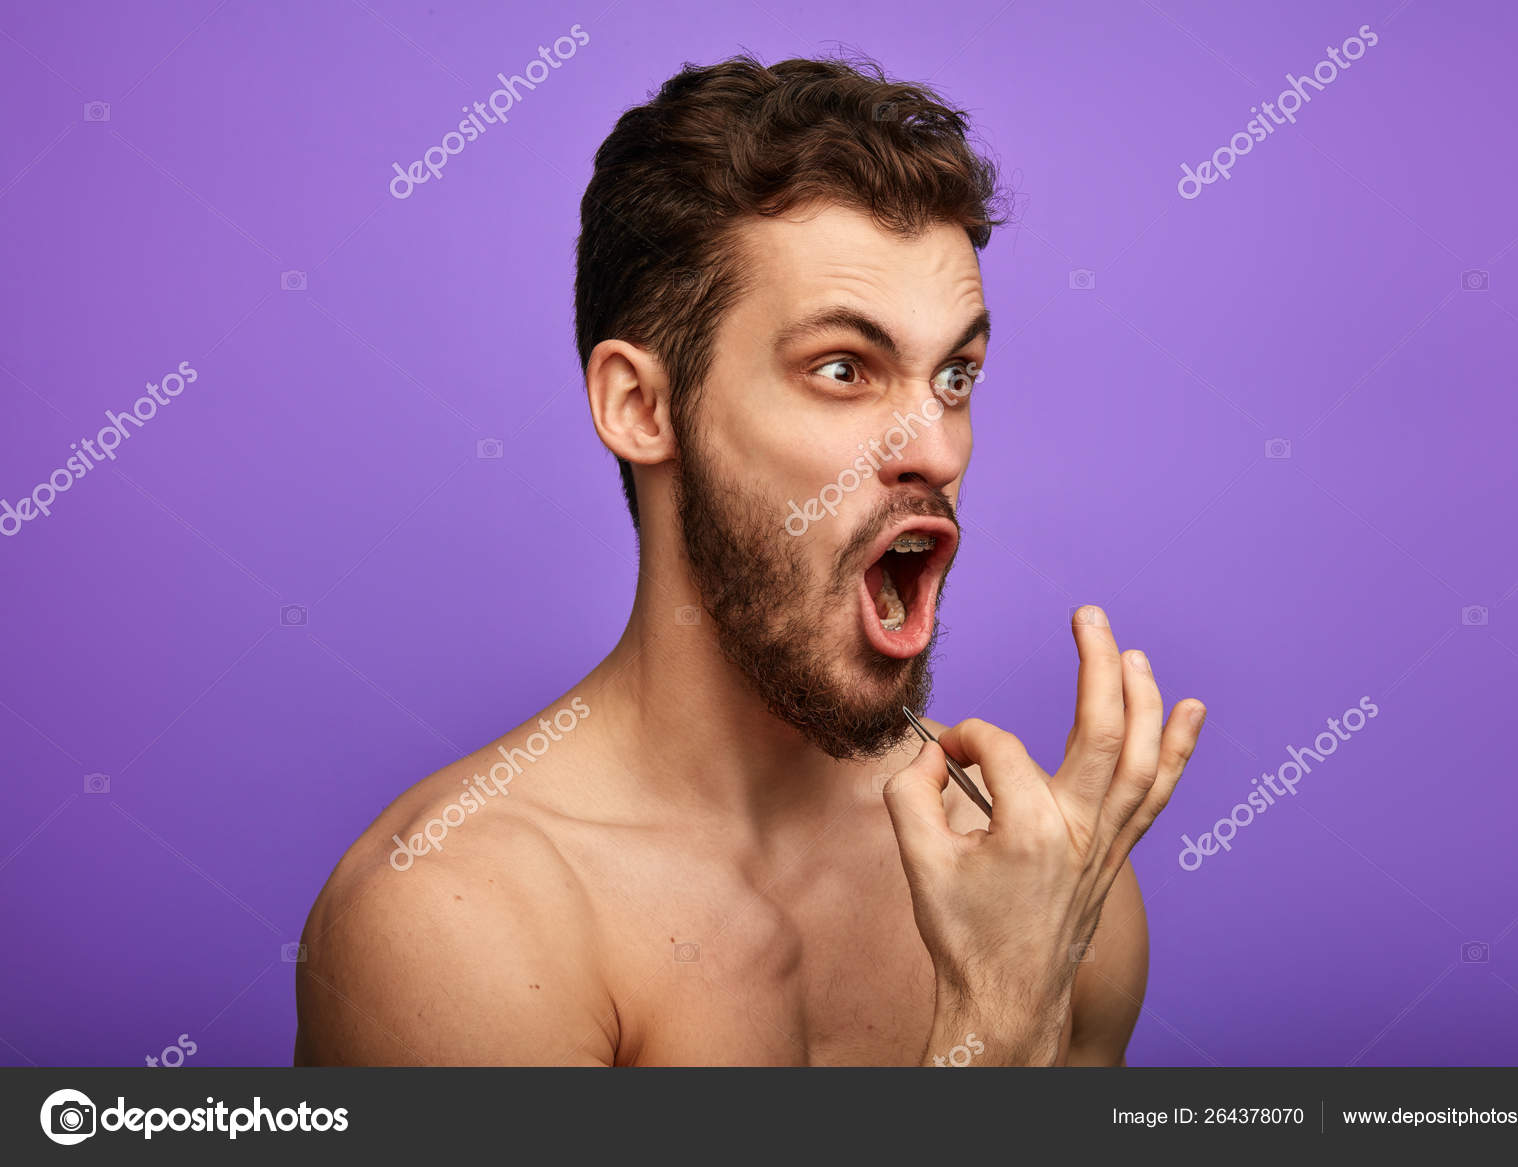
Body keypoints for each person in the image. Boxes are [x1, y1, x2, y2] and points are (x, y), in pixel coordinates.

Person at [295, 54, 1205, 1066]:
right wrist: (1002, 1008)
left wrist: (1037, 961)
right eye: (841, 369)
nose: (936, 448)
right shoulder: (455, 920)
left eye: (954, 375)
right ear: (640, 407)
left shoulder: (1038, 876)